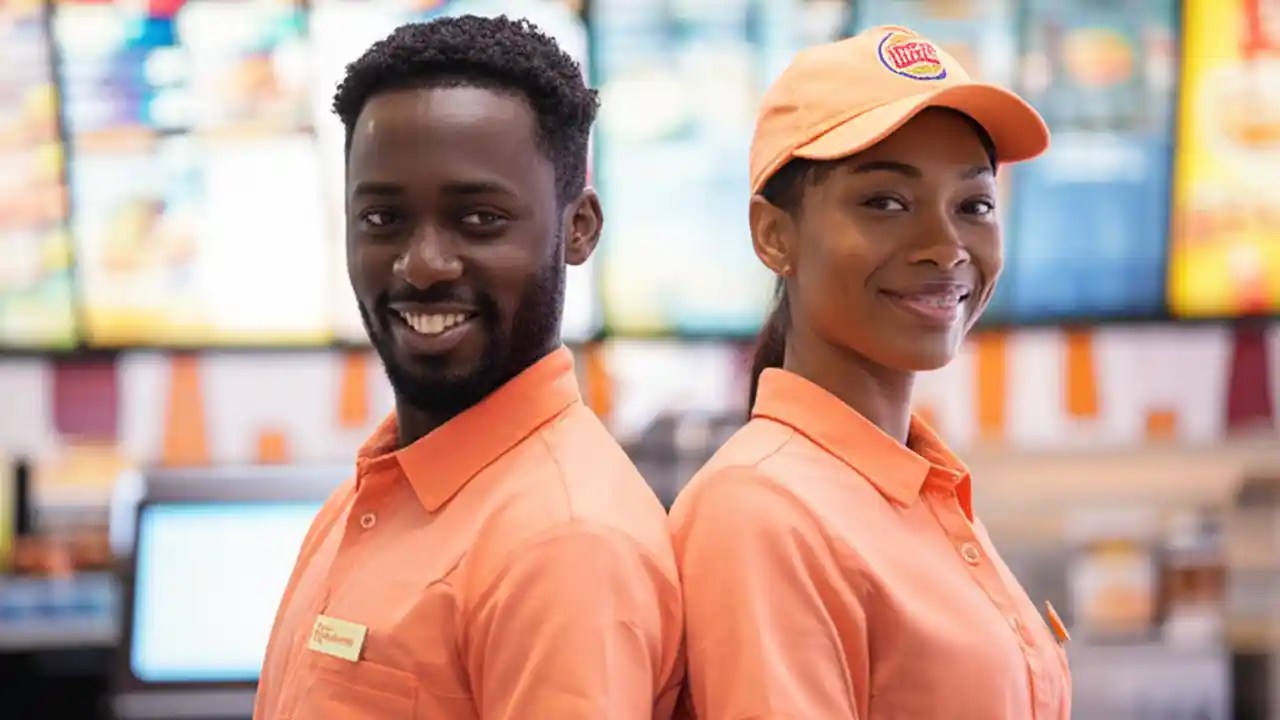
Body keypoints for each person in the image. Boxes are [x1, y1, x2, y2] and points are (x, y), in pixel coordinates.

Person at [254, 16, 683, 720]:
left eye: (479, 219)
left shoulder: (566, 544)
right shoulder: (371, 493)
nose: (422, 265)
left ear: (579, 229)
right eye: (382, 219)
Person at [669, 25, 1069, 720]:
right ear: (774, 235)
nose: (945, 249)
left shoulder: (914, 488)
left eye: (973, 205)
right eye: (885, 202)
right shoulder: (762, 514)